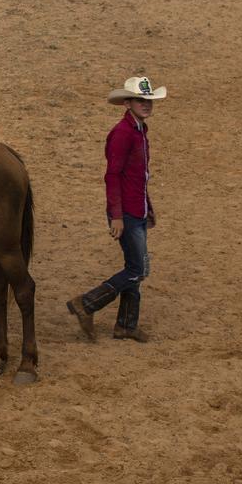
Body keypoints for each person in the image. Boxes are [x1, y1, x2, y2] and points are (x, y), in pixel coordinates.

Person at [67, 76, 166, 344]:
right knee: (137, 269)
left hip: (137, 209)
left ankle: (126, 325)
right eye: (140, 100)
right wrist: (117, 216)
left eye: (148, 101)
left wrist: (147, 207)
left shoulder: (138, 130)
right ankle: (87, 304)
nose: (146, 105)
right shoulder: (123, 134)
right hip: (128, 212)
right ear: (128, 102)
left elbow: (137, 176)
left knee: (134, 267)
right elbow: (112, 176)